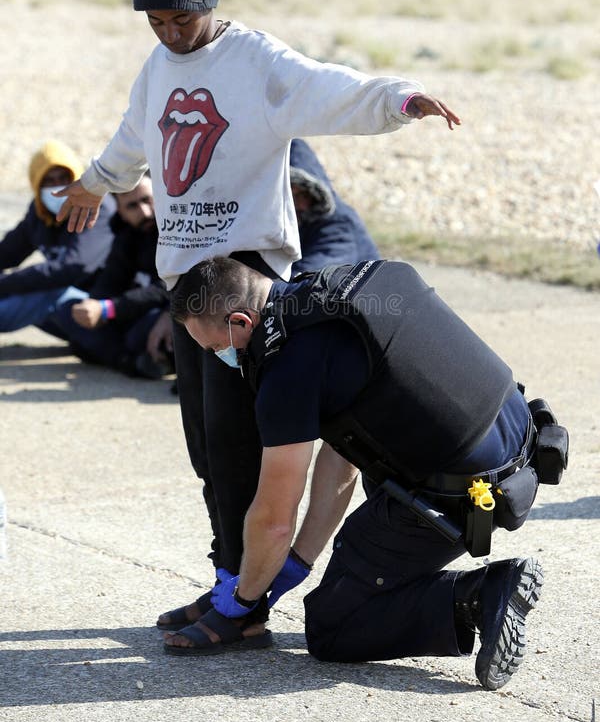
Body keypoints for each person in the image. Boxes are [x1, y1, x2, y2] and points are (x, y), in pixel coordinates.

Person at [54, 0, 461, 642]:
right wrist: (93, 182)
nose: (172, 33)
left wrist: (401, 98)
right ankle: (226, 582)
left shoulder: (255, 60)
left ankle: (244, 609)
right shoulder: (156, 67)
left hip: (246, 285)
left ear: (209, 1)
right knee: (209, 450)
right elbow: (132, 140)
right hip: (188, 287)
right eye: (156, 21)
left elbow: (329, 88)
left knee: (243, 445)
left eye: (182, 18)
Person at [167, 256, 567, 690]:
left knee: (331, 626)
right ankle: (399, 577)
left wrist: (242, 602)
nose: (220, 358)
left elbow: (274, 518)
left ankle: (481, 592)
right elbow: (345, 458)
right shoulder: (338, 290)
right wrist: (297, 564)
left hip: (467, 493)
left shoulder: (287, 369)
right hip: (521, 437)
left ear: (241, 321)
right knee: (372, 511)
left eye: (215, 348)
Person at [55, 174, 172, 378]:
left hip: (166, 313)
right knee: (69, 310)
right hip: (128, 312)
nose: (144, 212)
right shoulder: (125, 237)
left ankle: (121, 357)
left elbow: (165, 288)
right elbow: (111, 280)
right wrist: (94, 307)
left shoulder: (175, 233)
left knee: (134, 336)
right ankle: (131, 361)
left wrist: (106, 309)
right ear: (121, 212)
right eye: (132, 206)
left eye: (147, 200)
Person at [0, 140, 114, 337]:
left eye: (64, 178)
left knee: (48, 289)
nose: (57, 188)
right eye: (48, 181)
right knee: (30, 286)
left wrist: (5, 283)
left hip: (104, 304)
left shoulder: (97, 209)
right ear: (36, 184)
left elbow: (73, 267)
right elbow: (7, 252)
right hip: (70, 310)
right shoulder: (40, 212)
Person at [289, 138, 380, 273]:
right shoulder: (293, 224)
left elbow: (308, 283)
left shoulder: (339, 227)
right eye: (292, 197)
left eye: (304, 195)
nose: (301, 205)